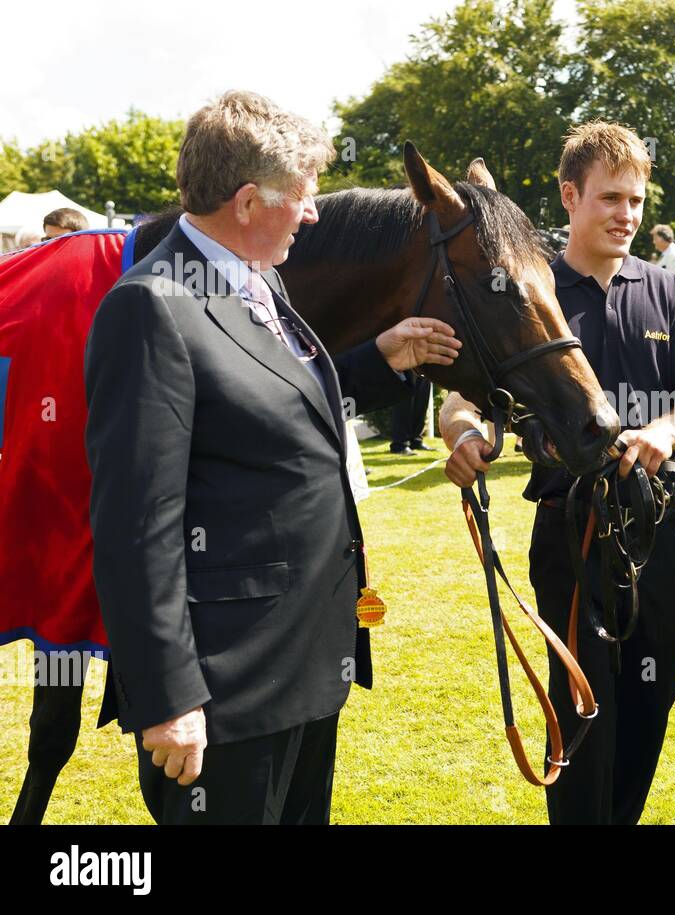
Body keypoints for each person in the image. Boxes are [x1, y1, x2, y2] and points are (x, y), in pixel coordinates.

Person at [83, 90, 462, 825]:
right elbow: (136, 523)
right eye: (303, 197)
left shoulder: (262, 278)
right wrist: (167, 696)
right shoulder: (152, 307)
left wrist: (375, 362)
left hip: (305, 666)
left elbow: (266, 410)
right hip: (224, 688)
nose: (314, 213)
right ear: (249, 201)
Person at [438, 121, 675, 825]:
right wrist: (466, 434)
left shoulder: (668, 289)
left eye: (636, 200)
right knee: (582, 716)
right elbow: (461, 400)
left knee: (650, 712)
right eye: (610, 198)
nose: (627, 214)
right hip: (570, 536)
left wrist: (664, 429)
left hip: (660, 532)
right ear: (570, 196)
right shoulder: (529, 286)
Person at [388, 377, 434, 454]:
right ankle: (399, 445)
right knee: (404, 401)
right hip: (405, 367)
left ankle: (416, 441)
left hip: (424, 366)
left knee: (422, 396)